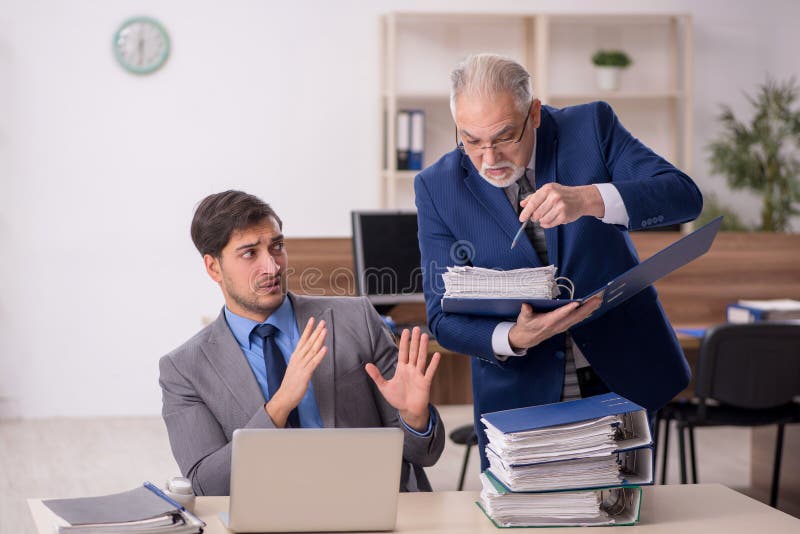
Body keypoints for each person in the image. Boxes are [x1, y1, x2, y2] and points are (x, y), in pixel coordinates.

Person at [415, 53, 703, 470]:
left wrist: (589, 198)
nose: (489, 158)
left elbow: (683, 196)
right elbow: (441, 319)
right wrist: (513, 337)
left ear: (533, 113)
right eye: (471, 140)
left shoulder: (590, 127)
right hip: (520, 396)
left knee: (621, 511)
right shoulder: (436, 186)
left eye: (503, 136)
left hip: (623, 371)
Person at [159, 190, 445, 495]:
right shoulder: (184, 369)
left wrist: (415, 418)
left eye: (277, 247)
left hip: (369, 502)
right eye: (249, 253)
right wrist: (279, 406)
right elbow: (207, 486)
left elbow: (423, 455)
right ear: (213, 267)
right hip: (270, 515)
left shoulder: (357, 319)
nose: (272, 267)